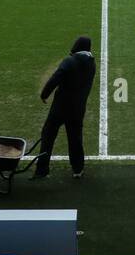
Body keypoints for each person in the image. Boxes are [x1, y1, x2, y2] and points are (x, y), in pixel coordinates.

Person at [34, 36, 96, 179]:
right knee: (75, 139)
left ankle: (42, 170)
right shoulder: (91, 64)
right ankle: (78, 169)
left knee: (48, 135)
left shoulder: (70, 61)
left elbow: (56, 78)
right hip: (78, 109)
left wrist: (44, 94)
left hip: (60, 108)